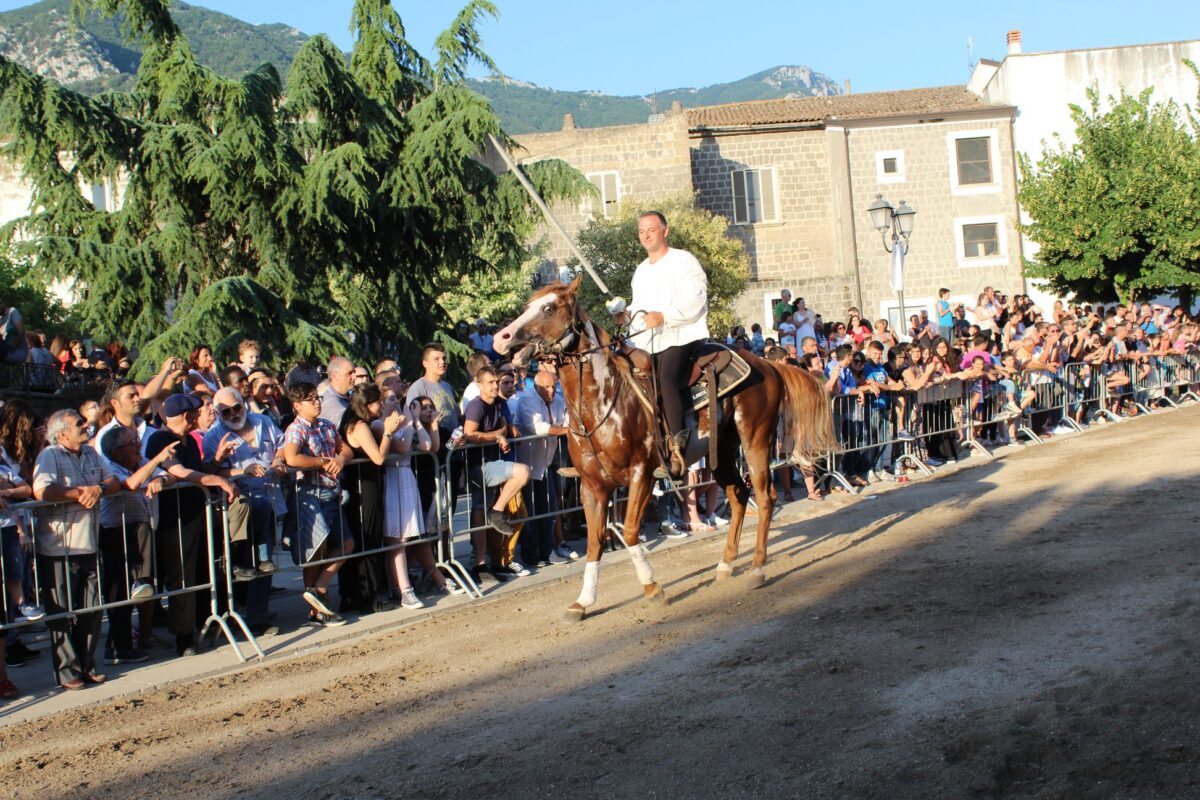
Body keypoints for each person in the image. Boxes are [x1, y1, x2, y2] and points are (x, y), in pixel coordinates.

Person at [32, 409, 122, 689]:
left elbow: (113, 481)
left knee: (91, 609)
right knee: (61, 612)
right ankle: (67, 670)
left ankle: (87, 663)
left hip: (89, 543)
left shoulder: (91, 453)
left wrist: (97, 488)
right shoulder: (50, 455)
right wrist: (76, 493)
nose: (86, 426)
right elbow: (41, 490)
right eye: (78, 424)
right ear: (61, 434)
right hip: (59, 546)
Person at [144, 394, 240, 656]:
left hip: (197, 515)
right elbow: (179, 472)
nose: (204, 414)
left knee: (203, 571)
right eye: (199, 411)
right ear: (187, 416)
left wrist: (217, 461)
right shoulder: (161, 440)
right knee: (182, 577)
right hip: (174, 520)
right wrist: (216, 480)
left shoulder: (189, 442)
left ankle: (204, 623)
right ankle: (184, 636)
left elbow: (197, 470)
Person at [624, 210, 709, 478]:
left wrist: (665, 316)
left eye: (650, 229)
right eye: (641, 231)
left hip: (681, 334)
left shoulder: (683, 260)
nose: (646, 234)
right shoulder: (639, 270)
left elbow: (696, 299)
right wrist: (627, 316)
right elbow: (638, 310)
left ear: (665, 231)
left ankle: (677, 447)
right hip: (648, 340)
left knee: (666, 379)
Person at [283, 382, 355, 627]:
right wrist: (321, 462)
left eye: (317, 398)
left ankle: (319, 589)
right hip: (310, 495)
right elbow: (292, 457)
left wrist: (340, 459)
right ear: (297, 406)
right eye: (310, 399)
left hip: (331, 493)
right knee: (315, 551)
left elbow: (345, 449)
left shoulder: (327, 425)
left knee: (346, 544)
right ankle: (316, 609)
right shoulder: (296, 429)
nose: (316, 402)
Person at [462, 366, 530, 583]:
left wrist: (500, 436)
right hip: (479, 465)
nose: (494, 386)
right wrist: (495, 437)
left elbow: (504, 429)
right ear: (479, 385)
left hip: (494, 461)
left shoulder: (500, 404)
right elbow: (469, 434)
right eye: (490, 382)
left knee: (482, 510)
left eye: (496, 381)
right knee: (522, 471)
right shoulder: (476, 406)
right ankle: (479, 562)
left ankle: (485, 561)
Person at [514, 370, 568, 568]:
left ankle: (547, 550)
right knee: (530, 511)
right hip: (527, 466)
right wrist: (566, 431)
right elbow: (538, 428)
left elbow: (566, 419)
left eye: (553, 385)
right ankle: (530, 554)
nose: (551, 390)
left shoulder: (558, 400)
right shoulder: (528, 400)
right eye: (546, 387)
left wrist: (567, 428)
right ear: (536, 387)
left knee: (549, 508)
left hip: (545, 463)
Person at [319, 356, 355, 427]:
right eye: (350, 373)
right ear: (335, 376)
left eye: (354, 372)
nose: (354, 377)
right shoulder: (330, 403)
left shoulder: (348, 396)